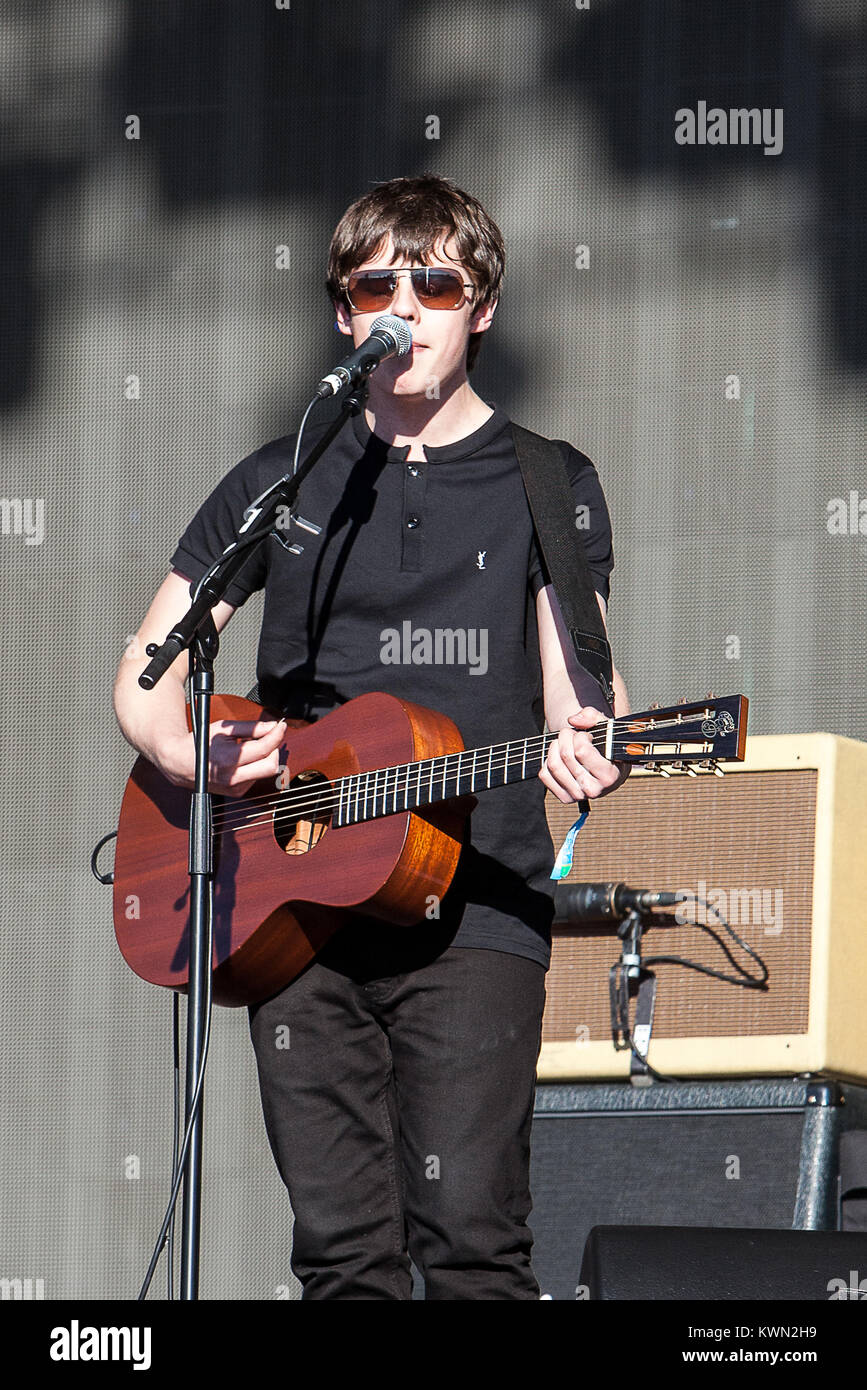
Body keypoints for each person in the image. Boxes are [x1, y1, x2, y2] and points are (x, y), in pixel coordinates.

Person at [113, 174, 629, 1300]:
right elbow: (144, 678)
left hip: (476, 903)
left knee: (472, 1242)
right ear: (346, 313)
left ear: (481, 305)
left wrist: (587, 742)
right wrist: (192, 756)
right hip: (296, 902)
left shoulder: (551, 482)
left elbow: (579, 685)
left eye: (437, 281)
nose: (409, 301)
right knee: (341, 1258)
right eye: (378, 283)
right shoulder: (282, 480)